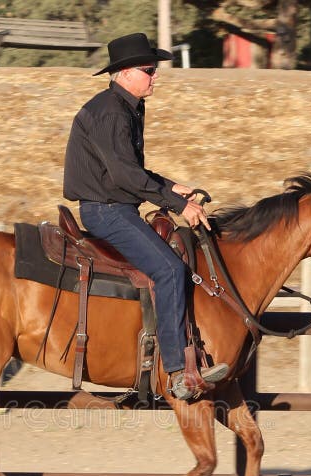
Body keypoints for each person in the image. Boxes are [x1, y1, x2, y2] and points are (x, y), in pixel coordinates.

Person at [62, 32, 229, 401]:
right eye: (149, 70)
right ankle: (176, 373)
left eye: (154, 70)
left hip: (117, 204)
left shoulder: (126, 107)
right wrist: (176, 203)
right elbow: (124, 176)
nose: (155, 77)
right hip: (105, 211)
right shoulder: (109, 112)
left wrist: (171, 186)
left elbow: (129, 169)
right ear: (123, 73)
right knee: (169, 270)